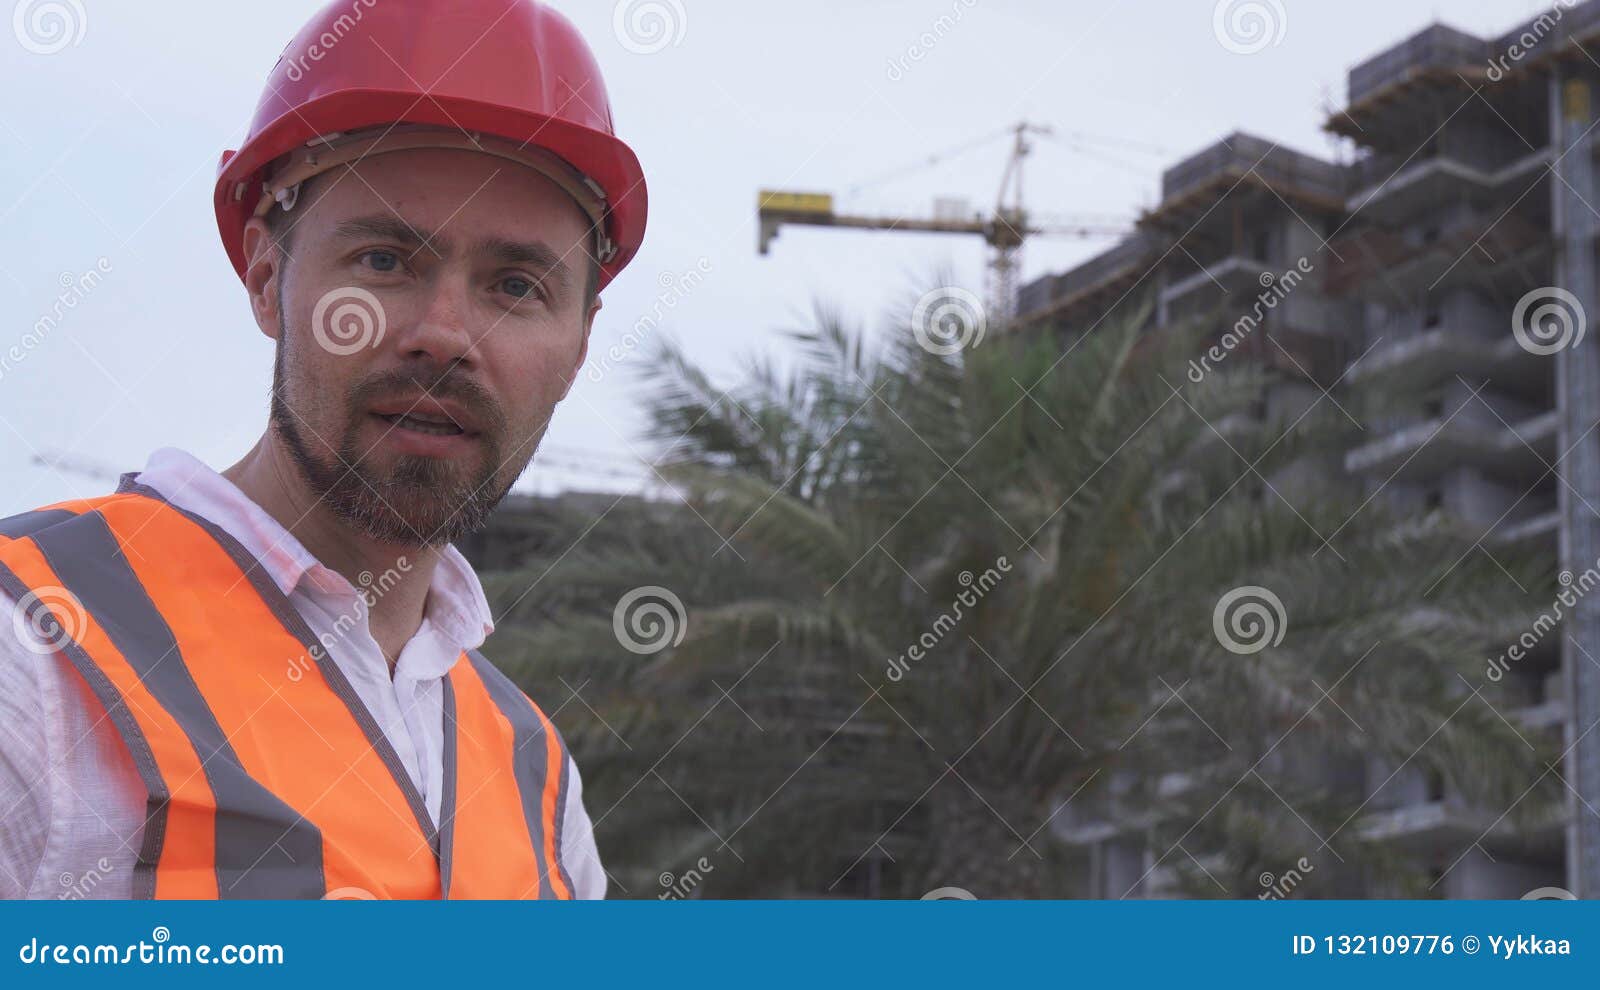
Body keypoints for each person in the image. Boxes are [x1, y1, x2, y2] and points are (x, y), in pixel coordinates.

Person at [0, 0, 647, 899]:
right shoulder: (32, 640)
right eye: (384, 260)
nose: (444, 335)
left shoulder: (537, 778)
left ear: (578, 346)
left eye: (516, 285)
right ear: (268, 280)